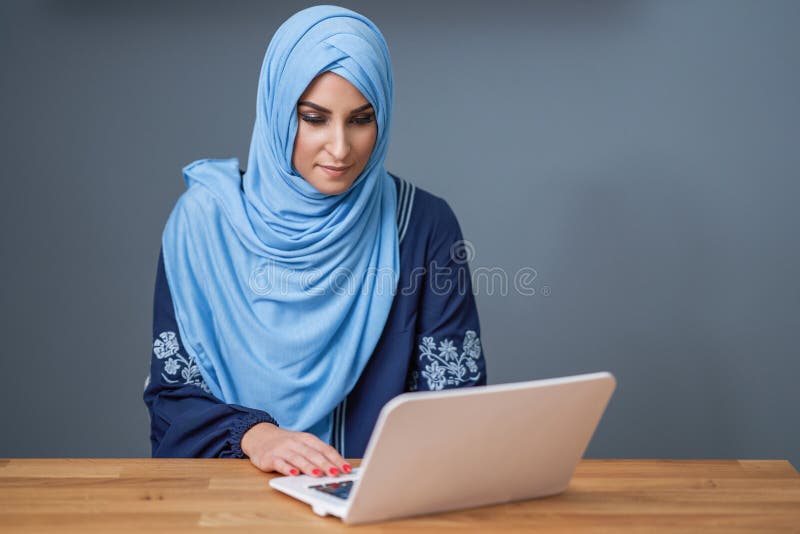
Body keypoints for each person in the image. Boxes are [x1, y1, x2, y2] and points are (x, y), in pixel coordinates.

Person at [143, 5, 486, 479]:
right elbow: (172, 399)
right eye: (314, 118)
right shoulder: (202, 226)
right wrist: (255, 436)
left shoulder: (422, 225)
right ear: (278, 110)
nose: (340, 148)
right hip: (231, 497)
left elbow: (455, 408)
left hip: (376, 499)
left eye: (361, 119)